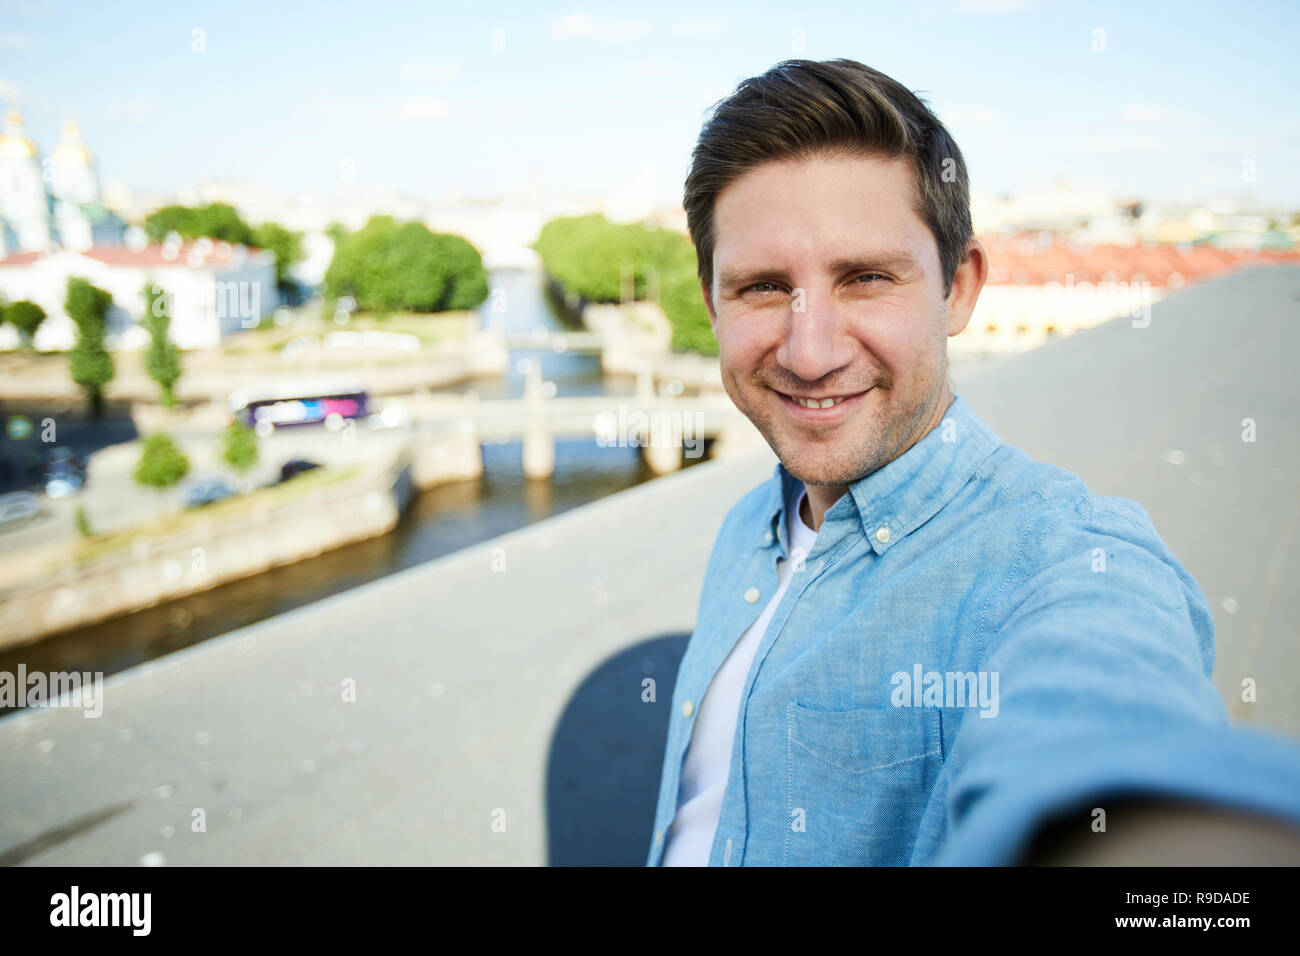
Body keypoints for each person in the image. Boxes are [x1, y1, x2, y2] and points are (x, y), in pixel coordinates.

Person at [646, 58, 1300, 867]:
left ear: (959, 288)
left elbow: (1104, 714)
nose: (809, 352)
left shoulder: (1064, 562)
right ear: (713, 302)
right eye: (763, 288)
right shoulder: (752, 524)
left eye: (867, 279)